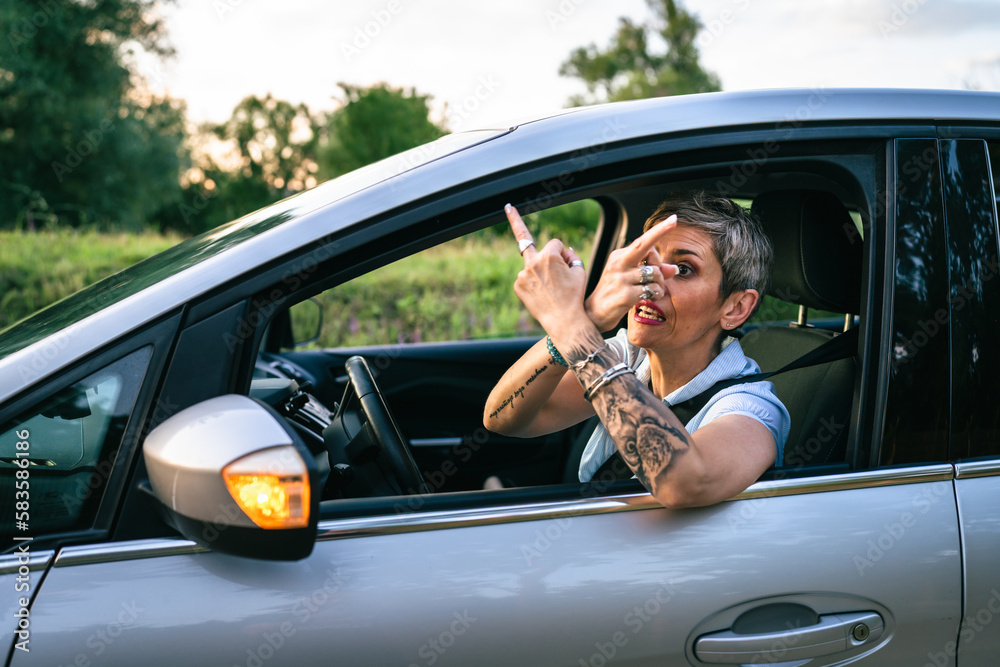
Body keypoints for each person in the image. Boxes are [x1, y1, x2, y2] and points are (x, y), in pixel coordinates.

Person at [483, 191, 789, 508]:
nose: (649, 283)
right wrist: (585, 320)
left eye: (683, 269)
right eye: (646, 262)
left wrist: (571, 325)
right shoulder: (628, 355)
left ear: (736, 307)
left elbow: (682, 483)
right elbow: (503, 418)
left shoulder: (752, 408)